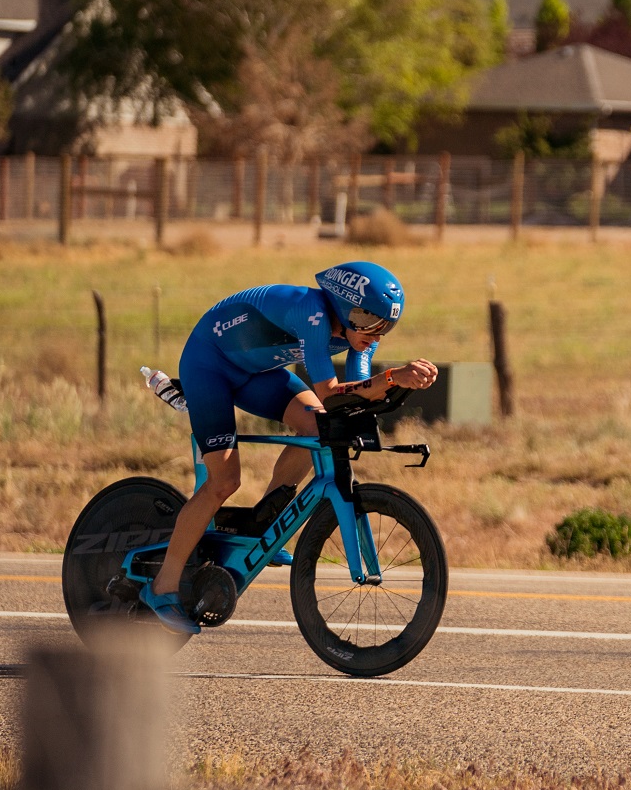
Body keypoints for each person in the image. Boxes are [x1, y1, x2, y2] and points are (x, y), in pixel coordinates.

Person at [141, 260, 438, 633]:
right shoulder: (311, 314)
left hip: (254, 372)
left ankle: (267, 520)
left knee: (321, 427)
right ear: (345, 307)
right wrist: (393, 376)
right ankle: (162, 586)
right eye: (369, 321)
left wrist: (394, 386)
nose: (376, 333)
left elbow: (355, 396)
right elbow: (330, 393)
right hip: (210, 366)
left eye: (386, 325)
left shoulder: (357, 334)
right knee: (223, 482)